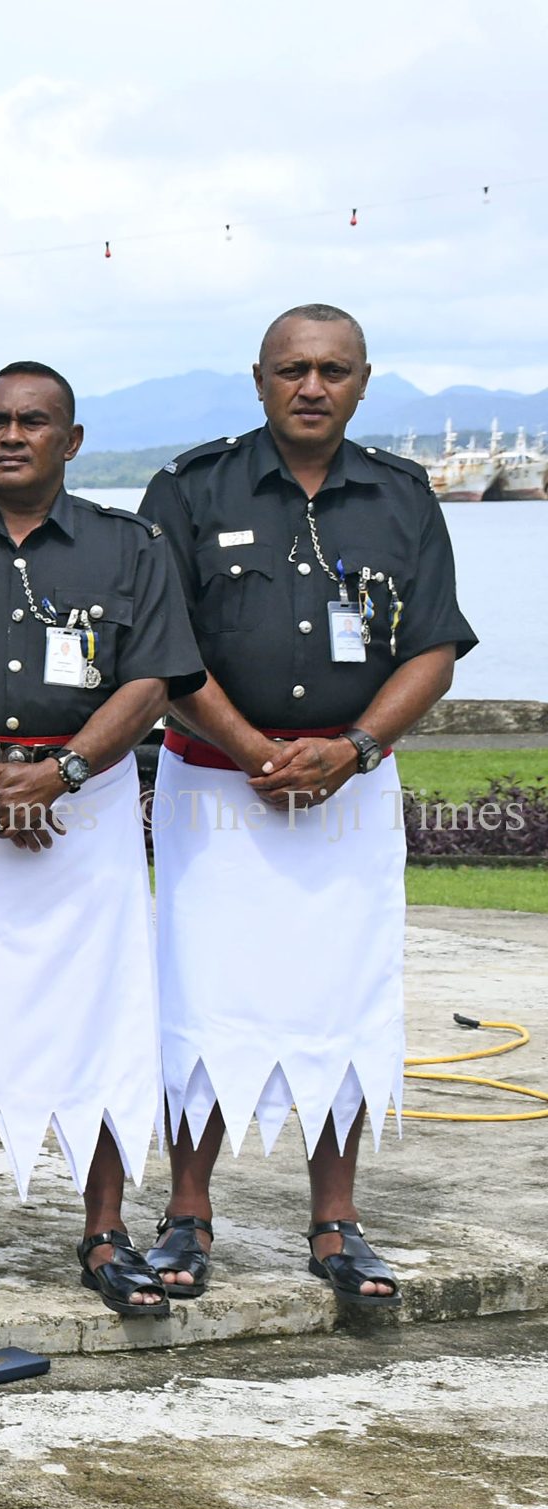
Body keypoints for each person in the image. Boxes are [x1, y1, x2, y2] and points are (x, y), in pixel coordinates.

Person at [136, 305, 475, 1307]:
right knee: (200, 992)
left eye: (333, 369)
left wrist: (354, 749)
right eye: (292, 369)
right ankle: (186, 1211)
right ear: (259, 379)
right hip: (214, 783)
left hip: (350, 787)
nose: (312, 386)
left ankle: (336, 1218)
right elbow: (160, 644)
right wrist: (254, 751)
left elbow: (433, 649)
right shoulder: (190, 488)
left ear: (363, 381)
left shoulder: (403, 496)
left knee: (345, 991)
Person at [0, 361, 204, 1320]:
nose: (11, 435)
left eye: (33, 421)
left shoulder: (130, 547)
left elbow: (152, 680)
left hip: (82, 806)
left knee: (103, 1011)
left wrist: (59, 773)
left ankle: (105, 1232)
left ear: (73, 440)